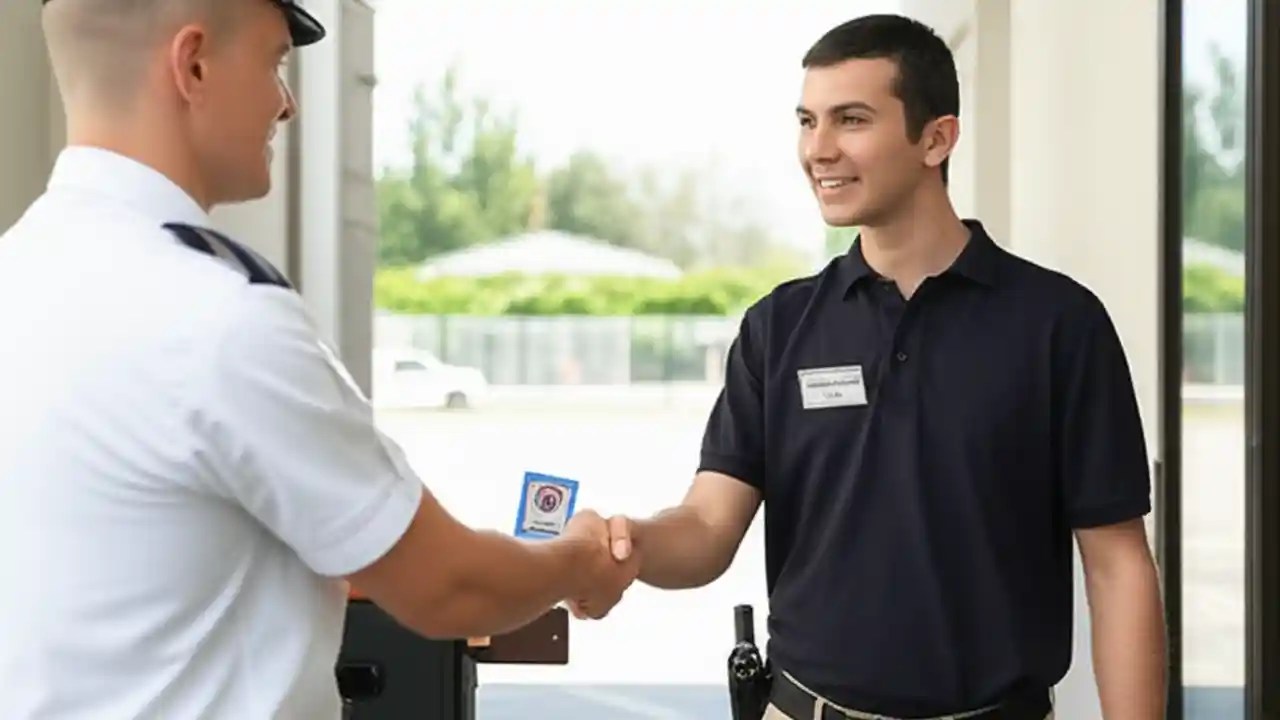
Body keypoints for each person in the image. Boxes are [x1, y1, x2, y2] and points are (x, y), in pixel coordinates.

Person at [0, 1, 635, 718]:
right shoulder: (218, 319)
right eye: (274, 63)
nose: (287, 103)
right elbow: (449, 587)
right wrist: (579, 559)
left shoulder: (17, 276)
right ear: (194, 64)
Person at [572, 14, 1167, 720]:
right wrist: (632, 545)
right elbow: (707, 526)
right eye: (807, 121)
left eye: (850, 120)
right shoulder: (779, 326)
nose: (818, 150)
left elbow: (1118, 565)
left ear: (936, 138)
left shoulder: (1058, 324)